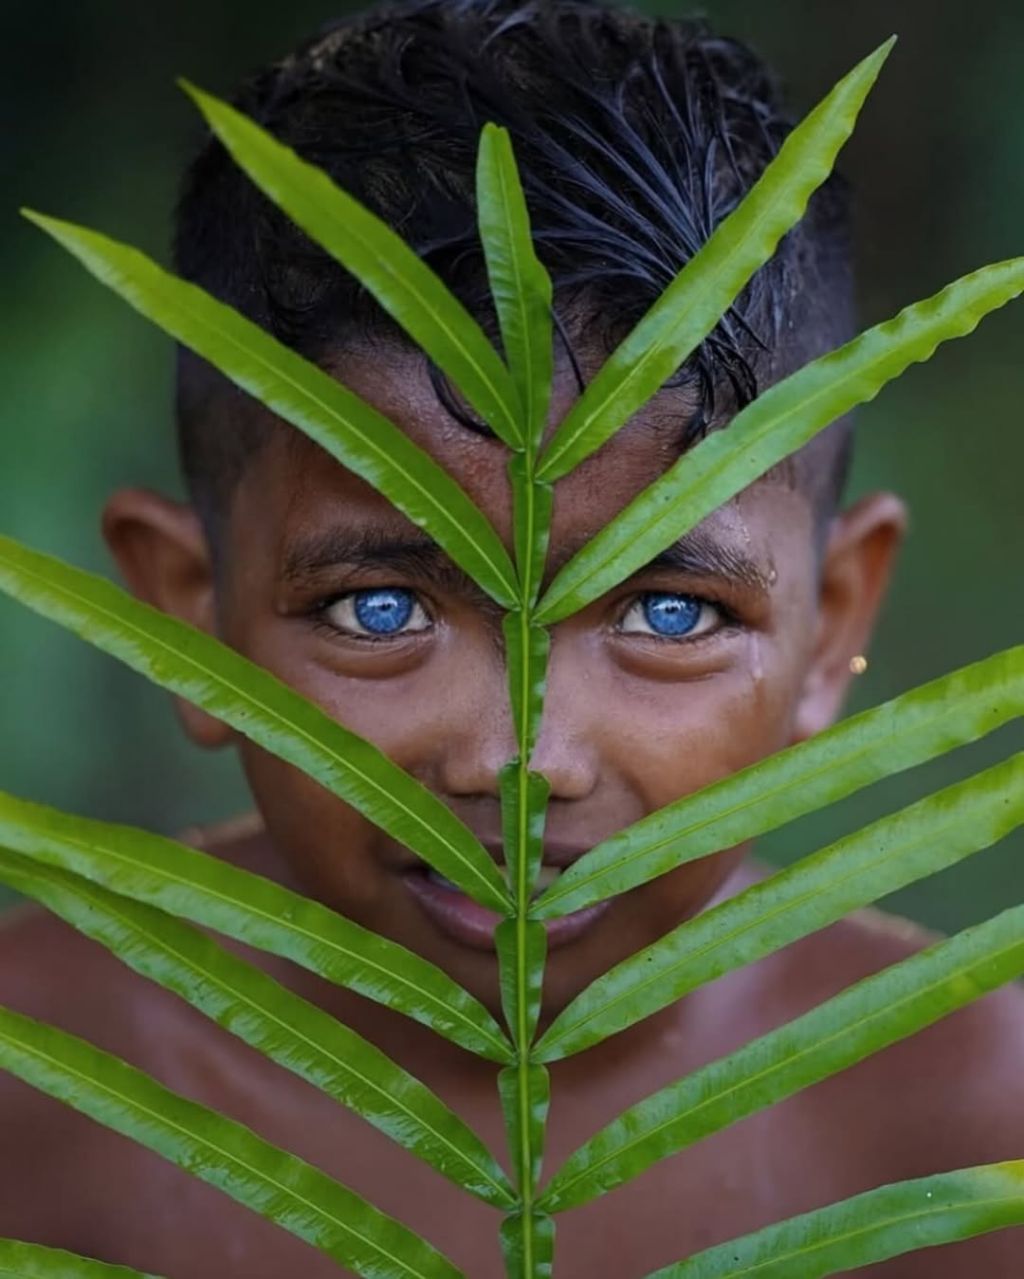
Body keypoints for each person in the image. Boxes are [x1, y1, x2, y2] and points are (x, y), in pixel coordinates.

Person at [1, 1, 1021, 1275]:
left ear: (834, 629)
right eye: (379, 610)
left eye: (671, 612)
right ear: (185, 618)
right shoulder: (35, 1079)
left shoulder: (972, 1131)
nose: (520, 760)